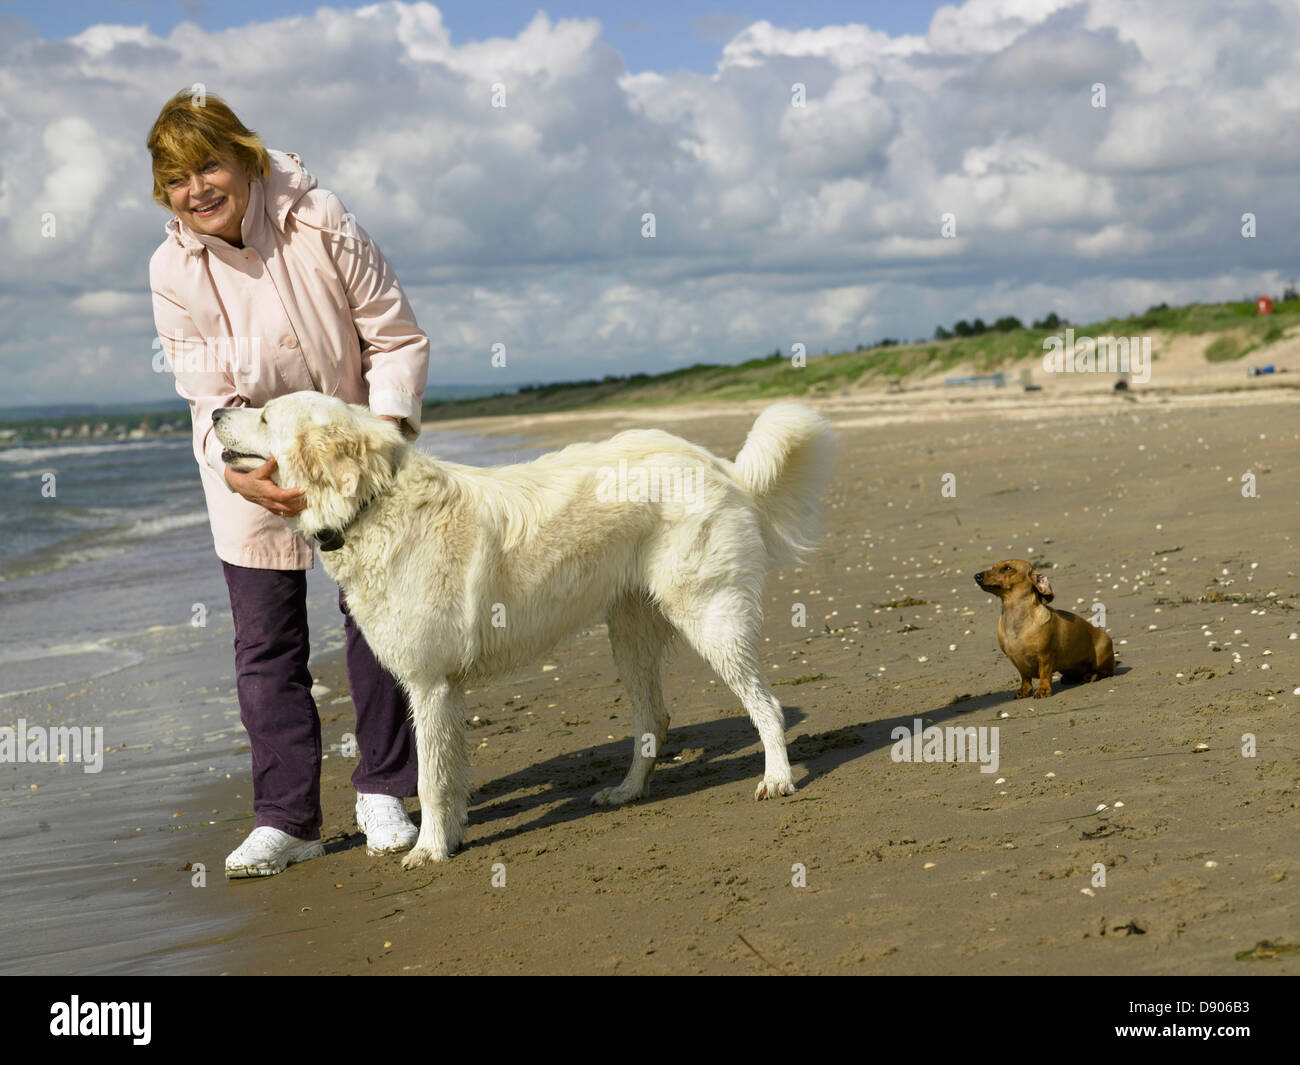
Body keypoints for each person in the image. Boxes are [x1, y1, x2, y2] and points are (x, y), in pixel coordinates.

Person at [147, 89, 429, 877]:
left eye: (209, 166)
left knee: (377, 620)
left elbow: (394, 335)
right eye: (176, 178)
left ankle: (385, 787)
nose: (196, 188)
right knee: (265, 643)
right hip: (251, 463)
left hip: (355, 458)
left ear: (247, 158)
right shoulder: (172, 269)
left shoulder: (320, 216)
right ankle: (288, 817)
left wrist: (387, 440)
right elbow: (207, 394)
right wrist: (246, 474)